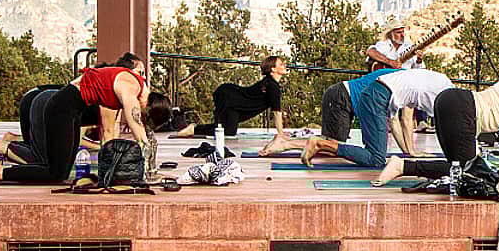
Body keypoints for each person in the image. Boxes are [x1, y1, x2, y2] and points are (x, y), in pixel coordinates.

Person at [374, 41, 499, 185]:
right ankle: (402, 166)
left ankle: (404, 167)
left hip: (453, 103)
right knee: (468, 170)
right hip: (462, 108)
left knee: (458, 168)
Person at [0, 58, 171, 183]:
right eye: (145, 118)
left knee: (60, 169)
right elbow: (134, 125)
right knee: (54, 173)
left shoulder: (124, 85)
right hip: (61, 107)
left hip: (71, 112)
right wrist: (147, 160)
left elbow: (111, 134)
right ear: (146, 108)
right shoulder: (132, 86)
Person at [302, 68, 453, 168]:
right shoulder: (441, 94)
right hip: (370, 99)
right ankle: (320, 143)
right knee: (376, 159)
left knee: (376, 153)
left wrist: (408, 152)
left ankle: (318, 143)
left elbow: (395, 123)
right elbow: (407, 121)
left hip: (371, 96)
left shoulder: (432, 82)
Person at [260, 68, 396, 156]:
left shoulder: (397, 75)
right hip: (341, 97)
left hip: (340, 95)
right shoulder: (399, 78)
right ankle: (286, 143)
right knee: (332, 146)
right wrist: (407, 152)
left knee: (331, 145)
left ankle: (285, 141)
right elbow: (397, 122)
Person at [173, 55, 287, 138]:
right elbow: (277, 112)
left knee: (226, 130)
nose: (284, 66)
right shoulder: (272, 86)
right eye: (281, 64)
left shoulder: (269, 83)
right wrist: (281, 135)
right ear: (273, 69)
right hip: (230, 98)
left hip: (233, 101)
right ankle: (193, 128)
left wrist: (280, 133)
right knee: (227, 131)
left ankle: (192, 128)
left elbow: (275, 111)